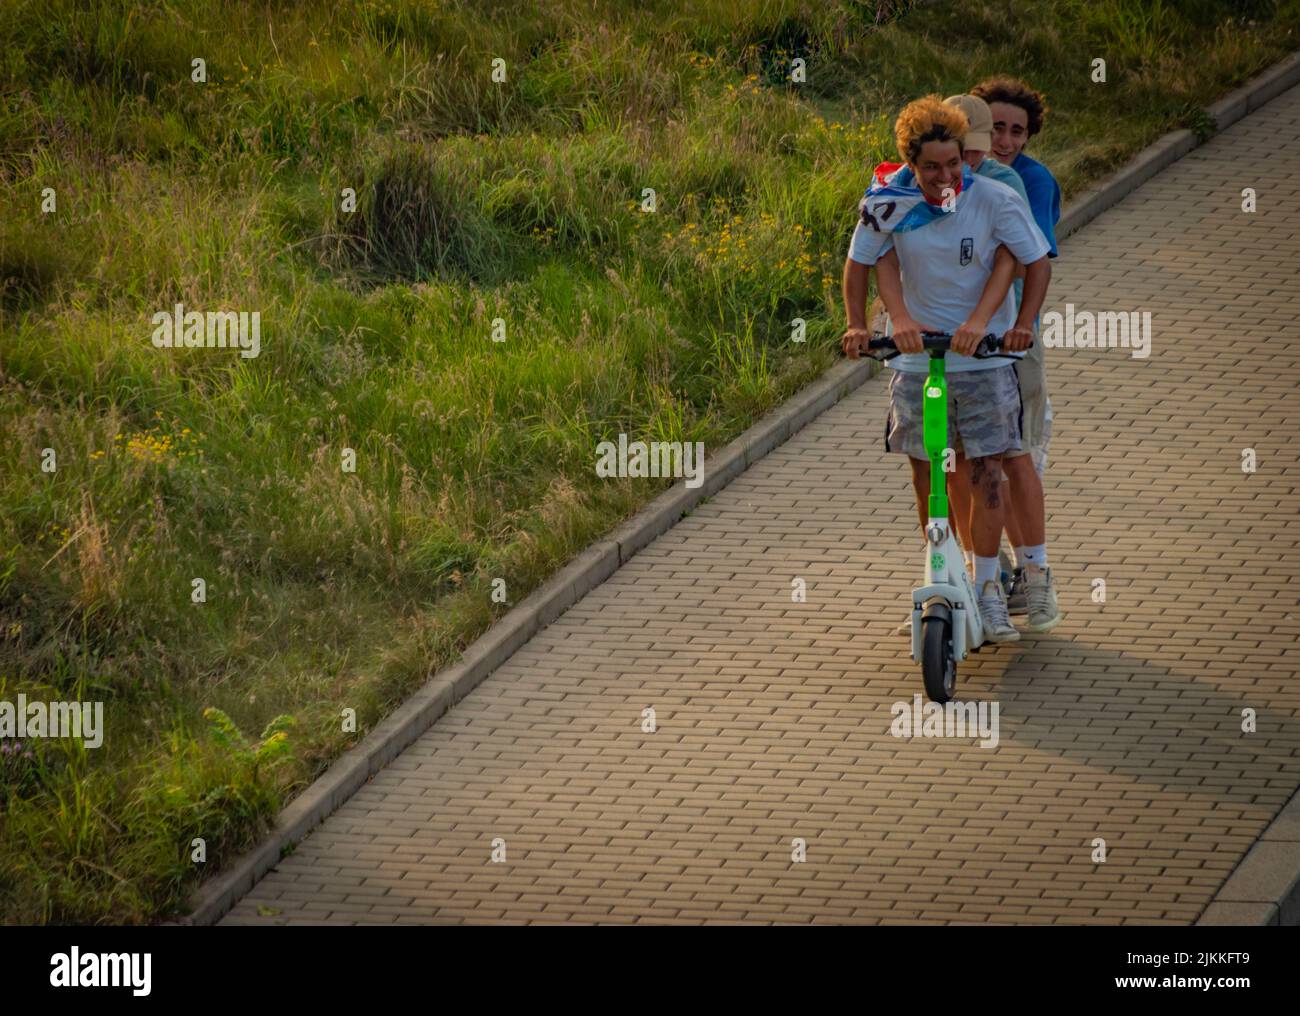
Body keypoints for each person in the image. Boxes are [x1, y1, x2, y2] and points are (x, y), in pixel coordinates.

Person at [841, 96, 1051, 642]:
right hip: (917, 362)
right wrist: (860, 325)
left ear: (964, 157)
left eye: (953, 163)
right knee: (927, 470)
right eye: (931, 166)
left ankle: (987, 586)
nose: (944, 176)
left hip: (982, 363)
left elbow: (1034, 261)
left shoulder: (995, 198)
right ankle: (948, 562)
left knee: (989, 473)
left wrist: (1020, 324)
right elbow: (859, 262)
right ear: (911, 162)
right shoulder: (888, 201)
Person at [971, 76, 1064, 630]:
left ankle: (1036, 577)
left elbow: (1032, 258)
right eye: (995, 128)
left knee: (1015, 453)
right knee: (962, 463)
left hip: (1011, 339)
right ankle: (990, 572)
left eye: (1016, 131)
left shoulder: (1029, 181)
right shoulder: (949, 173)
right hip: (956, 341)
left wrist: (1021, 324)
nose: (1005, 140)